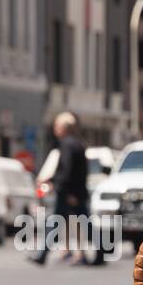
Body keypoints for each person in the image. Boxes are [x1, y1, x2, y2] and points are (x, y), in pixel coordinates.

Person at [30, 112, 91, 266]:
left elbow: (67, 171)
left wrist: (65, 190)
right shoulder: (77, 143)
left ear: (64, 128)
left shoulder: (67, 145)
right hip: (75, 192)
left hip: (68, 193)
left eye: (57, 126)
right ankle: (43, 255)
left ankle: (42, 255)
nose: (55, 129)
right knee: (82, 224)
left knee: (57, 223)